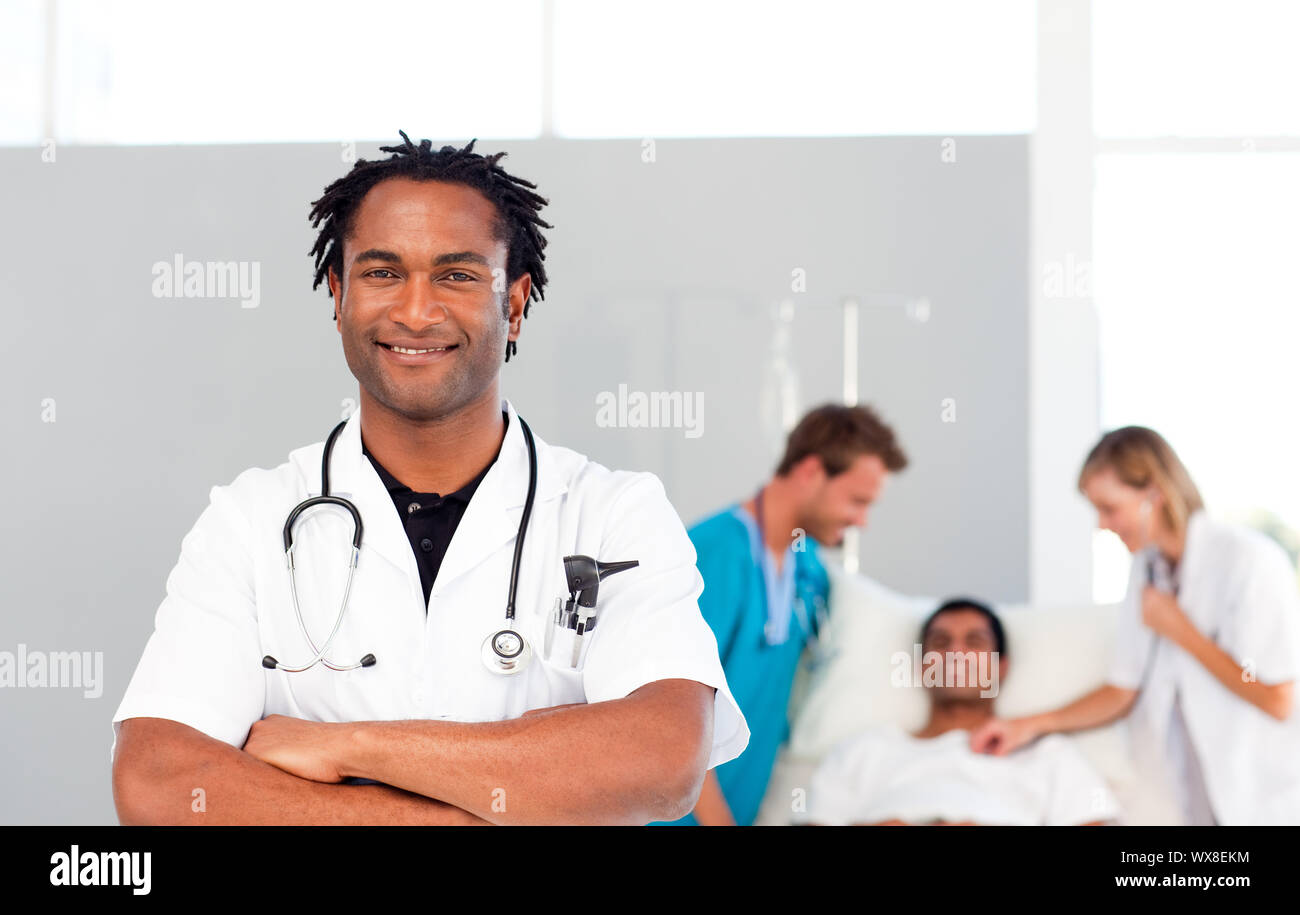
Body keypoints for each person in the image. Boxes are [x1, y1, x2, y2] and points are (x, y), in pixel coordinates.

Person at [110, 132, 749, 826]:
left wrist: (346, 747)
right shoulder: (250, 521)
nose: (416, 311)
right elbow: (159, 779)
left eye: (457, 274)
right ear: (338, 293)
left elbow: (661, 760)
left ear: (515, 302)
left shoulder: (614, 514)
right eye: (383, 272)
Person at [970, 426, 1300, 825]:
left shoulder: (1248, 561)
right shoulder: (1145, 571)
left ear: (1154, 495)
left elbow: (1277, 697)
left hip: (1254, 800)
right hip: (1178, 804)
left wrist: (1181, 631)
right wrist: (1027, 726)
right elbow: (1122, 690)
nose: (1102, 526)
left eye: (1109, 509)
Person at [655, 403, 908, 826]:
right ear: (811, 471)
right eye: (857, 501)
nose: (862, 521)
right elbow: (672, 718)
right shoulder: (714, 557)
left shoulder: (807, 567)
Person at [795, 599, 1120, 826]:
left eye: (974, 642)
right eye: (940, 642)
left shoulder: (1048, 756)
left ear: (1001, 667)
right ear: (923, 666)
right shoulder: (863, 752)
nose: (956, 653)